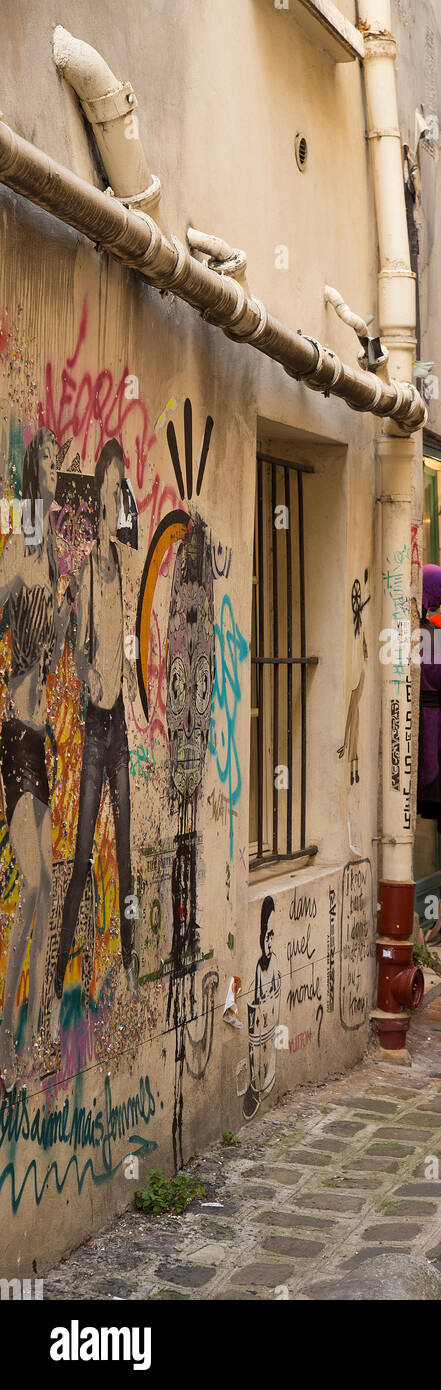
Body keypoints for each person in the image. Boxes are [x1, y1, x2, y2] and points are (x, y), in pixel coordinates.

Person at [52, 439, 137, 1036]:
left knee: (126, 850)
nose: (116, 500)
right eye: (110, 491)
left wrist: (127, 672)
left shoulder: (121, 570)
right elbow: (77, 650)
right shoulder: (84, 571)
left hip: (122, 724)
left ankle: (131, 962)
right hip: (95, 720)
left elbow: (123, 640)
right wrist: (92, 675)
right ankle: (60, 972)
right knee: (83, 853)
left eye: (120, 491)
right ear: (98, 499)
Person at [0, 428, 69, 1078]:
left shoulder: (50, 556)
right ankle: (8, 1042)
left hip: (42, 740)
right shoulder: (19, 555)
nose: (52, 472)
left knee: (45, 893)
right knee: (34, 889)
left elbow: (62, 650)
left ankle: (39, 1034)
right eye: (45, 464)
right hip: (17, 737)